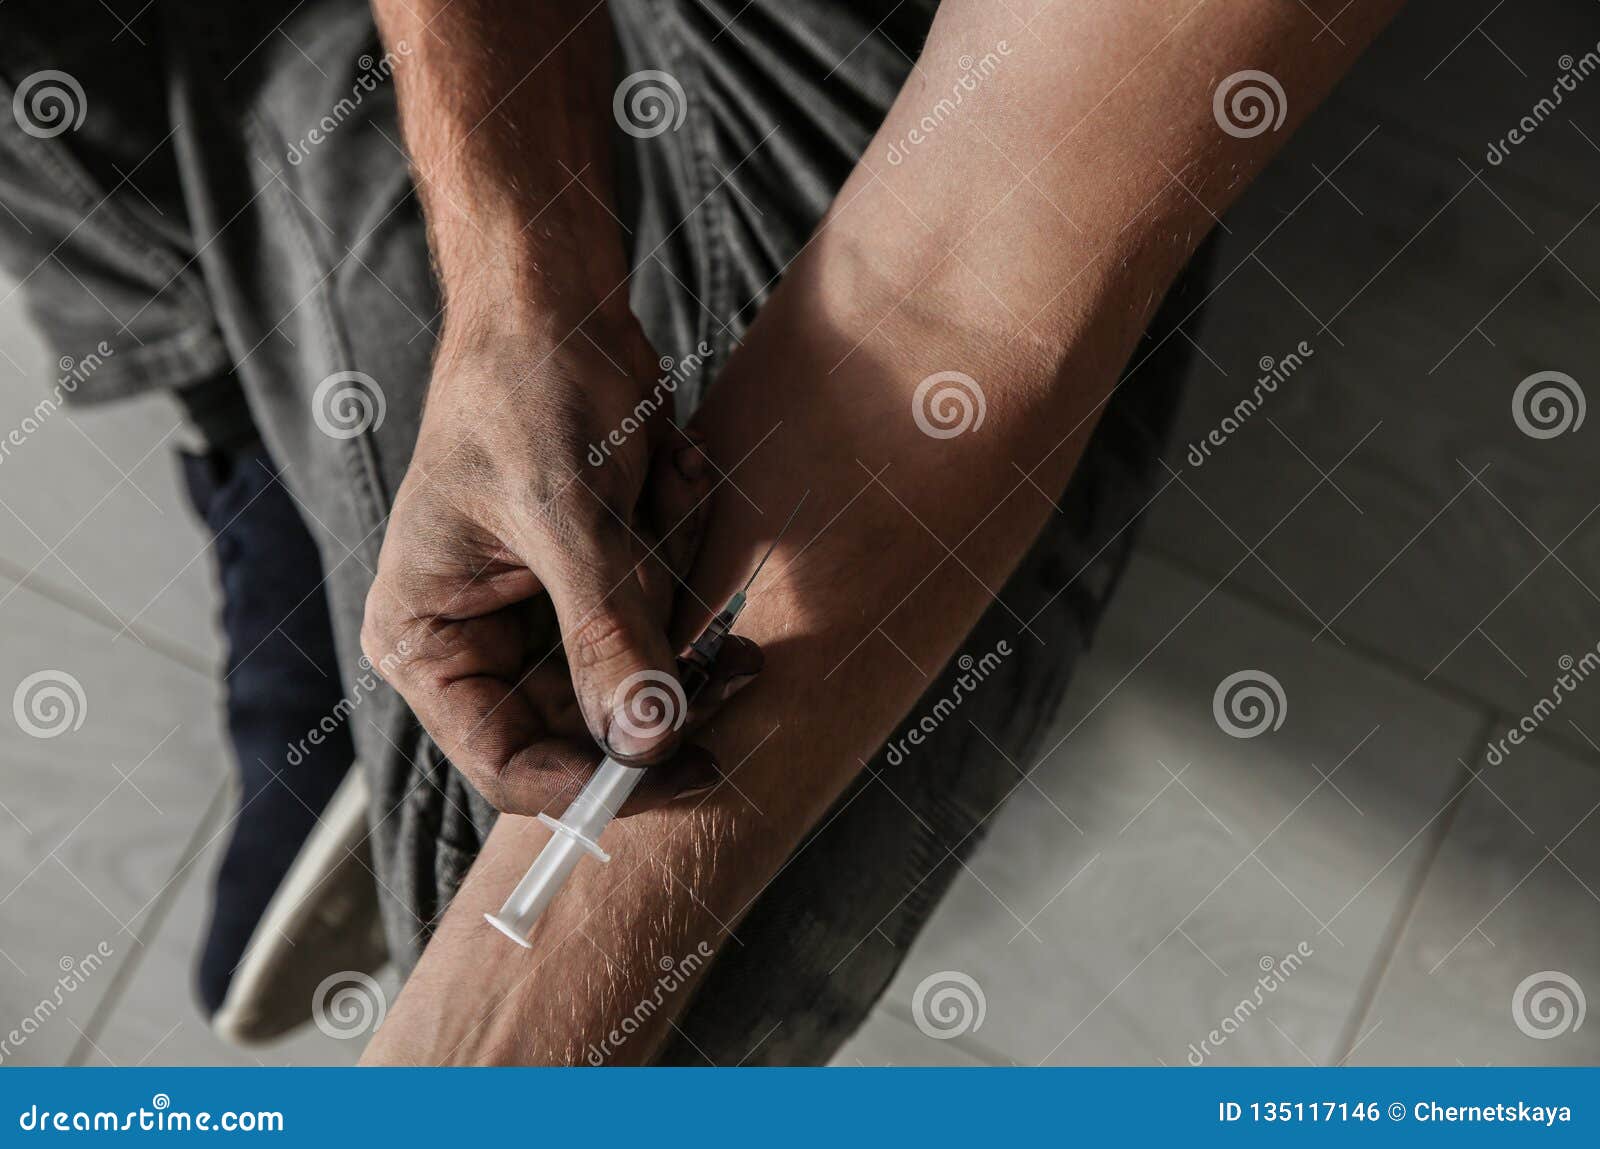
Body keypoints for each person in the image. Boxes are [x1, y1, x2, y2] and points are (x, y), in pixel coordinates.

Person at [0, 0, 1401, 1064]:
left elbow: (952, 292)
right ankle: (259, 431)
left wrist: (467, 1073)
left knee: (622, 1008)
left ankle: (291, 369)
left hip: (878, 83)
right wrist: (514, 282)